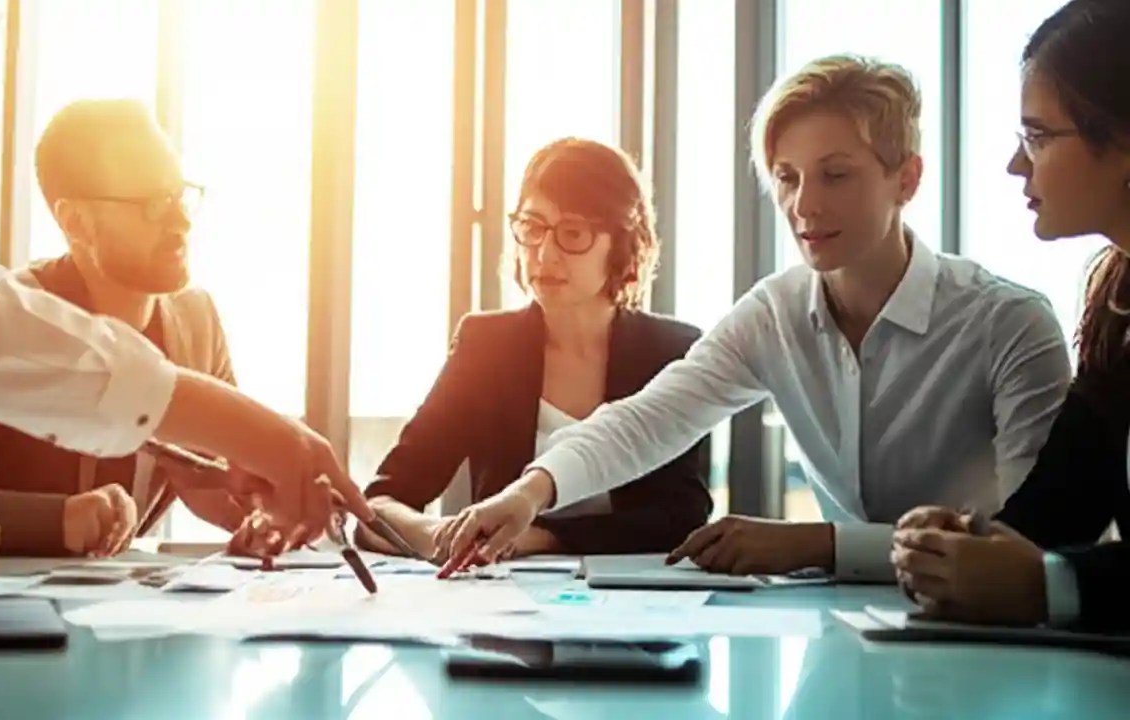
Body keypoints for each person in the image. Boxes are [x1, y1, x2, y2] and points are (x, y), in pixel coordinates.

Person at [433, 55, 1073, 581]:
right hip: (843, 628)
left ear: (906, 179)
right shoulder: (775, 312)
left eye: (836, 175)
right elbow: (647, 420)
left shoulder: (1009, 324)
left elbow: (1032, 543)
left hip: (996, 633)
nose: (805, 206)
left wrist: (816, 544)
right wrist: (529, 492)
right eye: (787, 178)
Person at [0, 0, 370, 614]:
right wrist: (254, 431)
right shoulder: (31, 305)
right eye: (149, 202)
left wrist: (239, 486)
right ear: (75, 222)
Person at [0, 99, 261, 557]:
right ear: (75, 222)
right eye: (153, 204)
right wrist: (55, 520)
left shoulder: (197, 319)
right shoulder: (10, 320)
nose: (181, 221)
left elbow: (217, 477)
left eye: (180, 195)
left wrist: (245, 506)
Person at [356, 138, 711, 560]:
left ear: (620, 243)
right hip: (505, 600)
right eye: (532, 227)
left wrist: (542, 538)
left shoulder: (671, 350)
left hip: (633, 602)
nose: (544, 254)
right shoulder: (486, 346)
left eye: (572, 233)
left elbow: (681, 520)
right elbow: (379, 503)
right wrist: (438, 535)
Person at [894, 0, 1130, 632]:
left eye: (1038, 136)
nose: (1016, 163)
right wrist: (968, 543)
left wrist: (1051, 585)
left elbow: (1050, 568)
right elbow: (1062, 508)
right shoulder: (1119, 306)